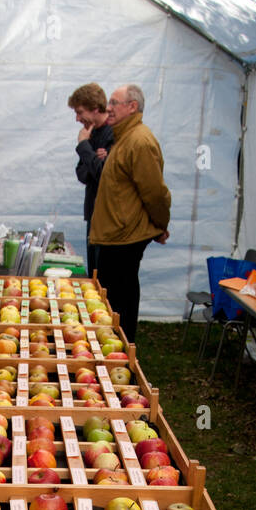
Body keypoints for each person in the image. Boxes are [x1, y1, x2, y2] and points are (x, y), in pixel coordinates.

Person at [89, 83, 170, 342]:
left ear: (132, 106)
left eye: (114, 102)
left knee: (120, 303)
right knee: (112, 302)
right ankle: (116, 350)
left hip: (124, 238)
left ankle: (123, 354)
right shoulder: (124, 138)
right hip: (115, 235)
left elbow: (155, 192)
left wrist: (160, 225)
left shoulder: (139, 141)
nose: (108, 108)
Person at [67, 83, 114, 273]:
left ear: (95, 108)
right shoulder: (91, 134)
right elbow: (82, 174)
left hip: (109, 218)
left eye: (80, 112)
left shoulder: (113, 134)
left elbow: (104, 174)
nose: (77, 119)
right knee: (93, 272)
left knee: (103, 274)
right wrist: (93, 157)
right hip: (94, 214)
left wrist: (84, 147)